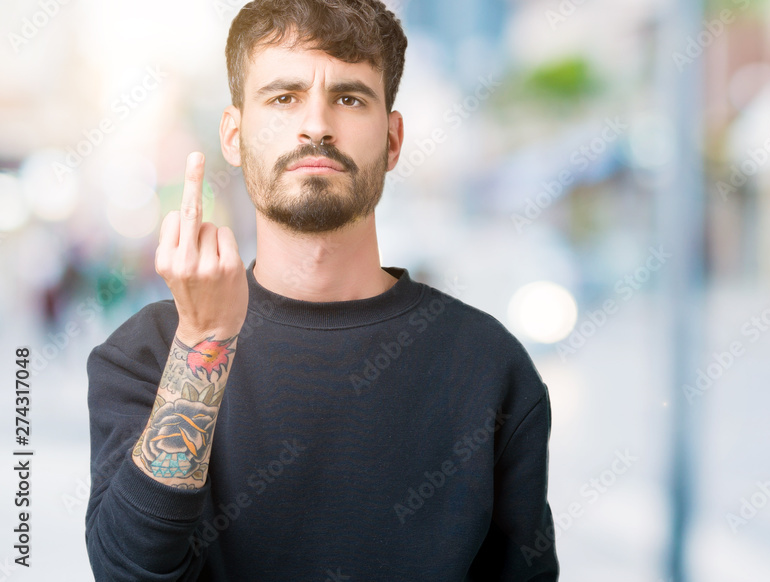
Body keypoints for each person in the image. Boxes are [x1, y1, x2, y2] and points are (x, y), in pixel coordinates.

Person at [84, 0, 560, 579]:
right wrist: (203, 340)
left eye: (350, 98)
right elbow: (126, 571)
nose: (316, 124)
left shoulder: (490, 365)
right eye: (283, 98)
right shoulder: (145, 353)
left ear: (392, 138)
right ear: (233, 136)